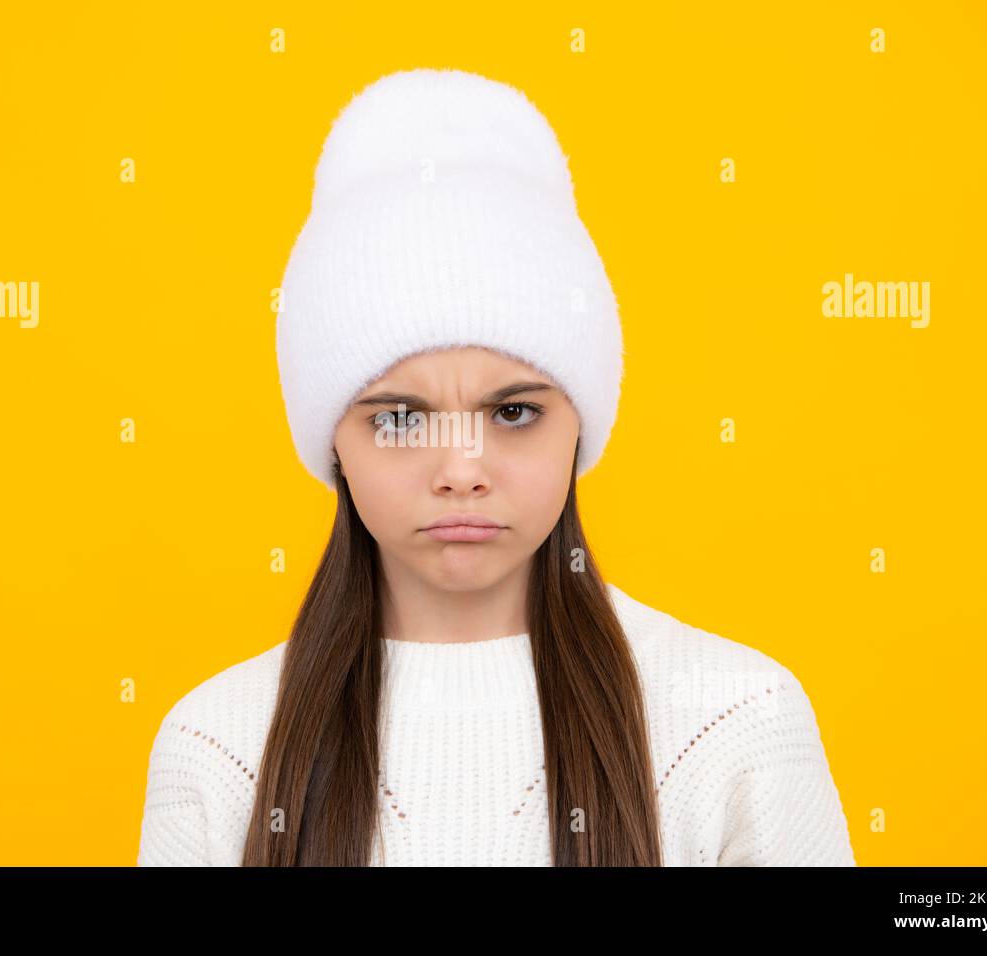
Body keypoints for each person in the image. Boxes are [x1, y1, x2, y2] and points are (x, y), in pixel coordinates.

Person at [137, 67, 855, 866]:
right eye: (401, 418)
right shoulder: (216, 749)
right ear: (331, 438)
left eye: (513, 413)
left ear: (579, 423)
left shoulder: (738, 723)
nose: (461, 469)